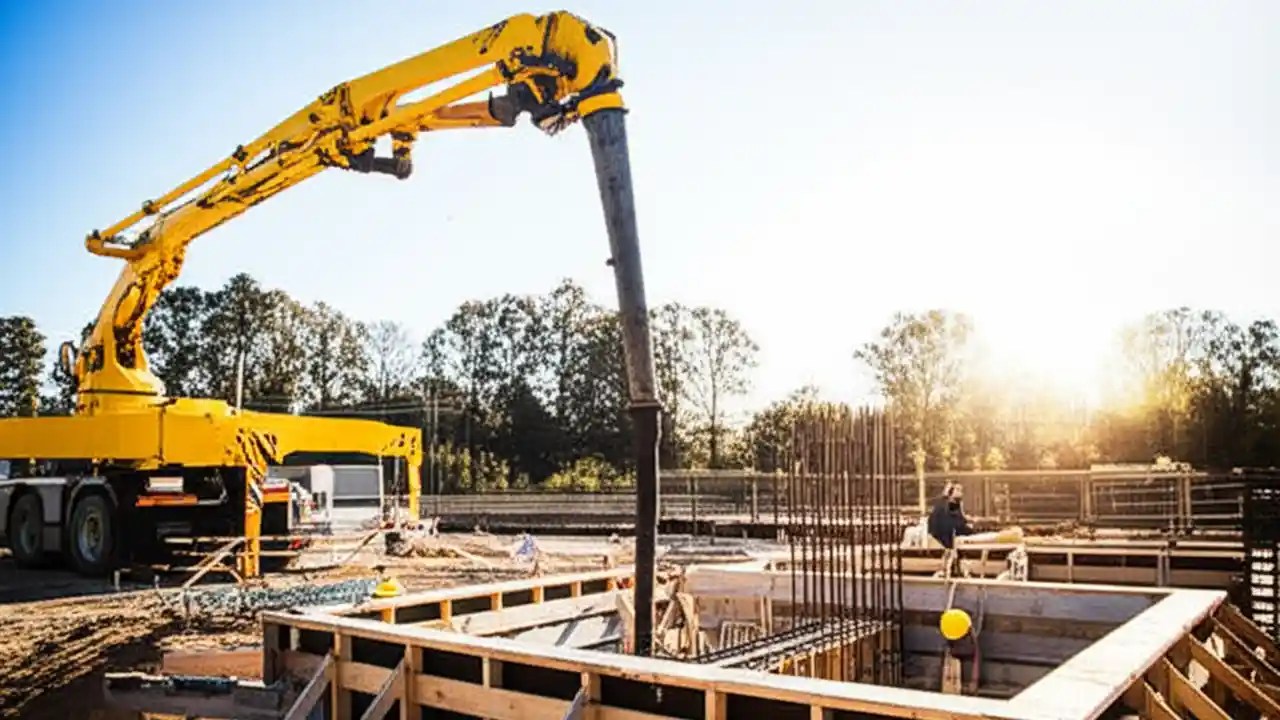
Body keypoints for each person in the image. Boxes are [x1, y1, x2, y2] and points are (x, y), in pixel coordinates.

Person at [927, 481, 974, 550]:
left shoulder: (954, 503)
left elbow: (959, 519)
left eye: (961, 490)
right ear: (950, 492)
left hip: (950, 537)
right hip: (946, 537)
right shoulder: (944, 505)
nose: (961, 493)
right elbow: (954, 522)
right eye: (957, 490)